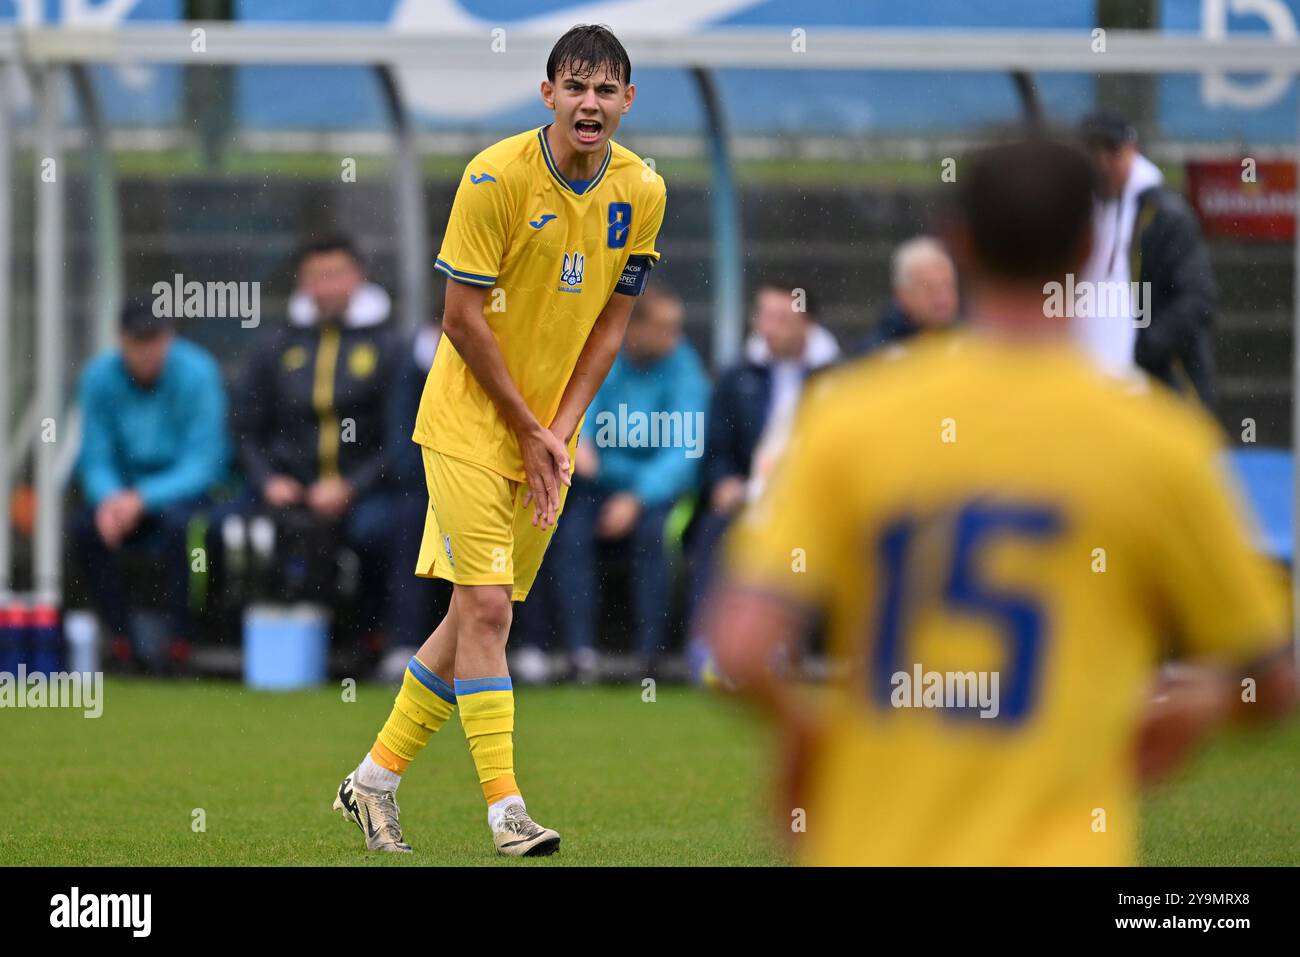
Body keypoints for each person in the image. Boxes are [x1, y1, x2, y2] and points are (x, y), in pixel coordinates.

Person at [709, 136, 1295, 866]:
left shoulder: (853, 414)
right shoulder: (1158, 443)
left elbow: (741, 645)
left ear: (959, 242)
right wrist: (1188, 707)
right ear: (1088, 247)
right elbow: (1271, 676)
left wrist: (804, 732)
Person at [333, 24, 667, 857]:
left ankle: (372, 782)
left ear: (628, 101)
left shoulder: (643, 190)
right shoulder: (493, 177)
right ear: (547, 93)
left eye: (606, 89)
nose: (590, 103)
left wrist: (557, 430)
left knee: (474, 611)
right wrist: (524, 426)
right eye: (575, 86)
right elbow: (459, 318)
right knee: (488, 607)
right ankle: (507, 811)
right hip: (467, 426)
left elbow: (610, 327)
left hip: (543, 434)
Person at [514, 283, 710, 681]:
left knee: (654, 538)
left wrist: (636, 497)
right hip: (597, 486)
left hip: (657, 495)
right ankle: (579, 653)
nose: (676, 337)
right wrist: (578, 444)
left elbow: (683, 452)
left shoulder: (685, 366)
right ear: (634, 330)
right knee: (565, 535)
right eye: (665, 327)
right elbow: (582, 417)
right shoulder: (606, 355)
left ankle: (648, 658)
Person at [232, 236, 415, 649]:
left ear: (358, 278)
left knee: (388, 532)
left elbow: (401, 435)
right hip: (288, 489)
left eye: (336, 275)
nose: (326, 286)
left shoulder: (390, 346)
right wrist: (268, 481)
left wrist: (352, 486)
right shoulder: (275, 347)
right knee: (221, 530)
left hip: (366, 492)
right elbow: (245, 429)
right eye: (316, 277)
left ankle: (380, 643)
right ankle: (244, 647)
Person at [686, 280, 839, 665]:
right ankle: (710, 648)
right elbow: (715, 447)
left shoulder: (841, 378)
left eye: (780, 318)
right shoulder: (736, 377)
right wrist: (722, 482)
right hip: (750, 500)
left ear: (808, 323)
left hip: (818, 501)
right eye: (763, 317)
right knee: (713, 531)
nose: (767, 328)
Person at [72, 303, 228, 672]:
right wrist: (109, 498)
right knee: (85, 529)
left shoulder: (198, 372)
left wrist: (143, 497)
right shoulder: (98, 378)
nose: (147, 351)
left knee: (185, 531)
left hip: (184, 496)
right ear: (121, 340)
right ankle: (124, 642)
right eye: (138, 341)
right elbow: (94, 455)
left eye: (155, 339)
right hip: (123, 496)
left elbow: (204, 463)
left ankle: (180, 644)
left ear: (169, 337)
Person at [1077, 109, 1217, 404]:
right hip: (1087, 386)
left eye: (1112, 151)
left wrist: (1142, 348)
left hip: (1156, 388)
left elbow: (1197, 299)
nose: (1102, 164)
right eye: (1092, 152)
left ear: (1132, 151)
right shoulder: (1075, 214)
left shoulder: (1166, 217)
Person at [849, 235, 959, 357]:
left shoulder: (970, 348)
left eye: (948, 286)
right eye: (930, 289)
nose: (942, 298)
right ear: (902, 294)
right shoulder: (873, 358)